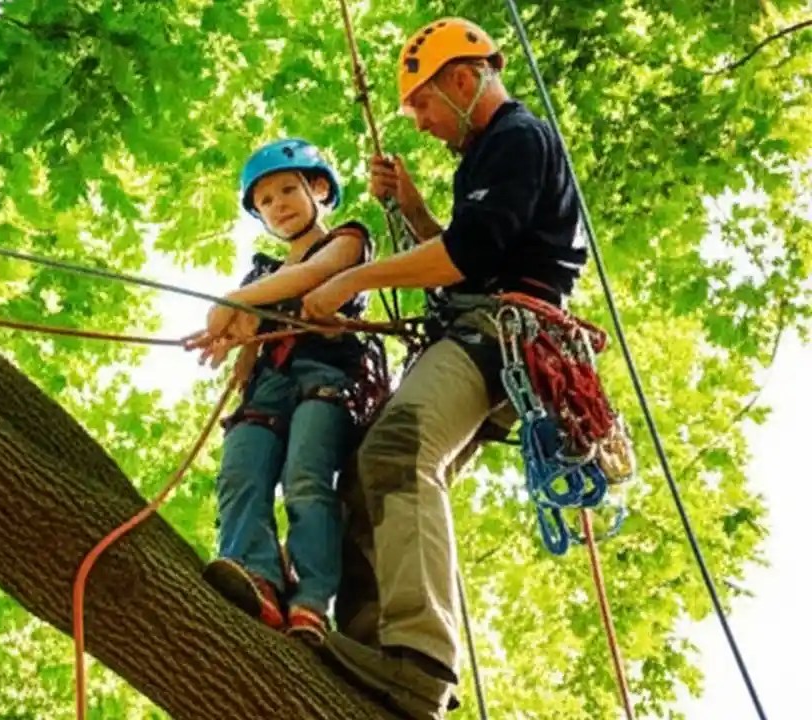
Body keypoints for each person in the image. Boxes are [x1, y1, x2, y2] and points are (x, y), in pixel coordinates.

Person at [299, 17, 587, 720]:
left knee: (400, 448)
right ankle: (371, 648)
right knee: (370, 470)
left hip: (501, 337)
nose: (422, 123)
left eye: (423, 104)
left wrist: (344, 282)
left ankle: (419, 660)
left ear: (463, 80)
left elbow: (469, 258)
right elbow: (467, 251)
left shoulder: (518, 136)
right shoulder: (484, 158)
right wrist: (417, 211)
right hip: (484, 331)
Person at [185, 138, 378, 647]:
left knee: (305, 479)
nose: (279, 205)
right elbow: (249, 333)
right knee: (240, 474)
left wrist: (230, 300)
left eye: (289, 190)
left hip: (324, 374)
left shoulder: (348, 239)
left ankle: (312, 601)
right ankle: (258, 578)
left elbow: (314, 274)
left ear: (319, 189)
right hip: (267, 385)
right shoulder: (261, 274)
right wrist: (230, 341)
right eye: (265, 201)